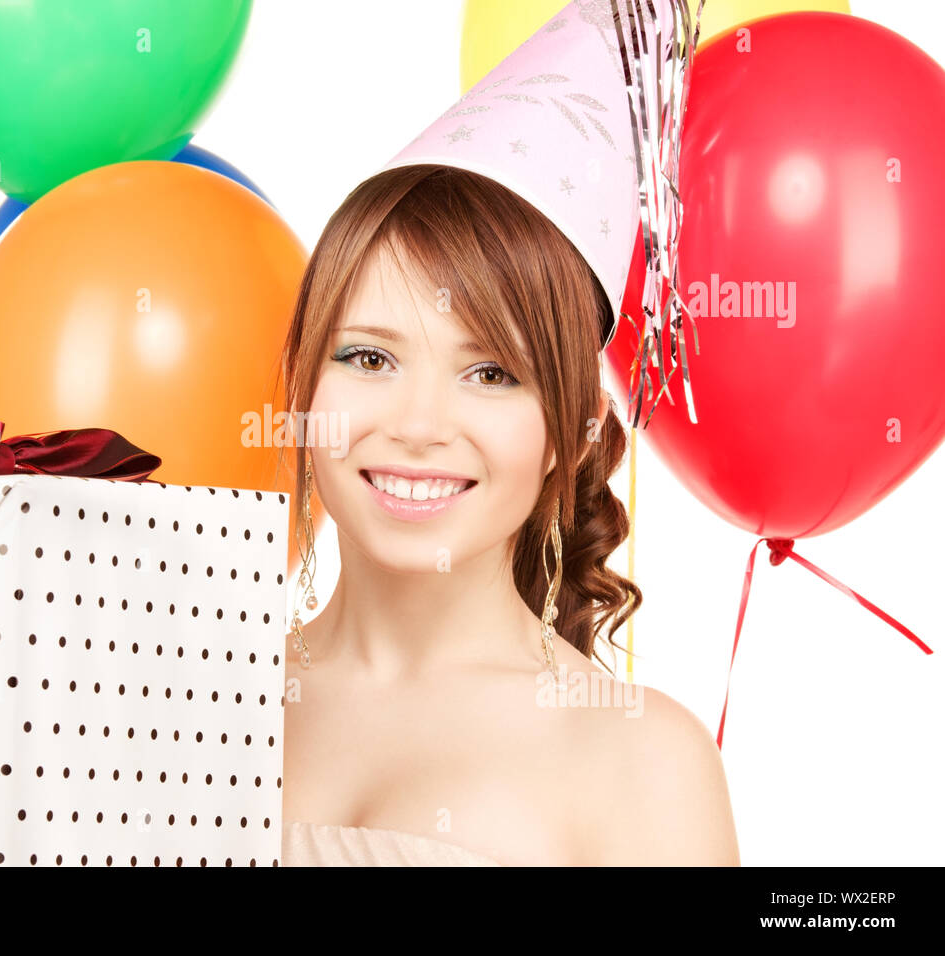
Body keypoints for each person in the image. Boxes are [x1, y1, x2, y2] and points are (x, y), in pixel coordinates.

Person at [277, 0, 738, 866]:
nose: (416, 426)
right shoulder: (184, 704)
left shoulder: (644, 763)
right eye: (369, 359)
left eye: (490, 374)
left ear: (570, 430)